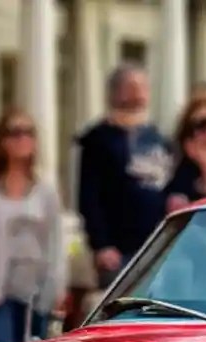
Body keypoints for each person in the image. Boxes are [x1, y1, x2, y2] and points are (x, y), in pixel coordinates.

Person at [0, 109, 67, 342]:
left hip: (35, 291)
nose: (22, 139)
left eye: (29, 133)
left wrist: (58, 286)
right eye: (15, 133)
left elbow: (55, 241)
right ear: (2, 140)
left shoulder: (45, 190)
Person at [77, 63, 172, 293]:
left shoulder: (157, 138)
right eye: (132, 87)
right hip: (118, 252)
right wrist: (101, 245)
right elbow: (88, 196)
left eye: (143, 87)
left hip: (157, 247)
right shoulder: (97, 139)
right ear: (116, 92)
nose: (139, 94)